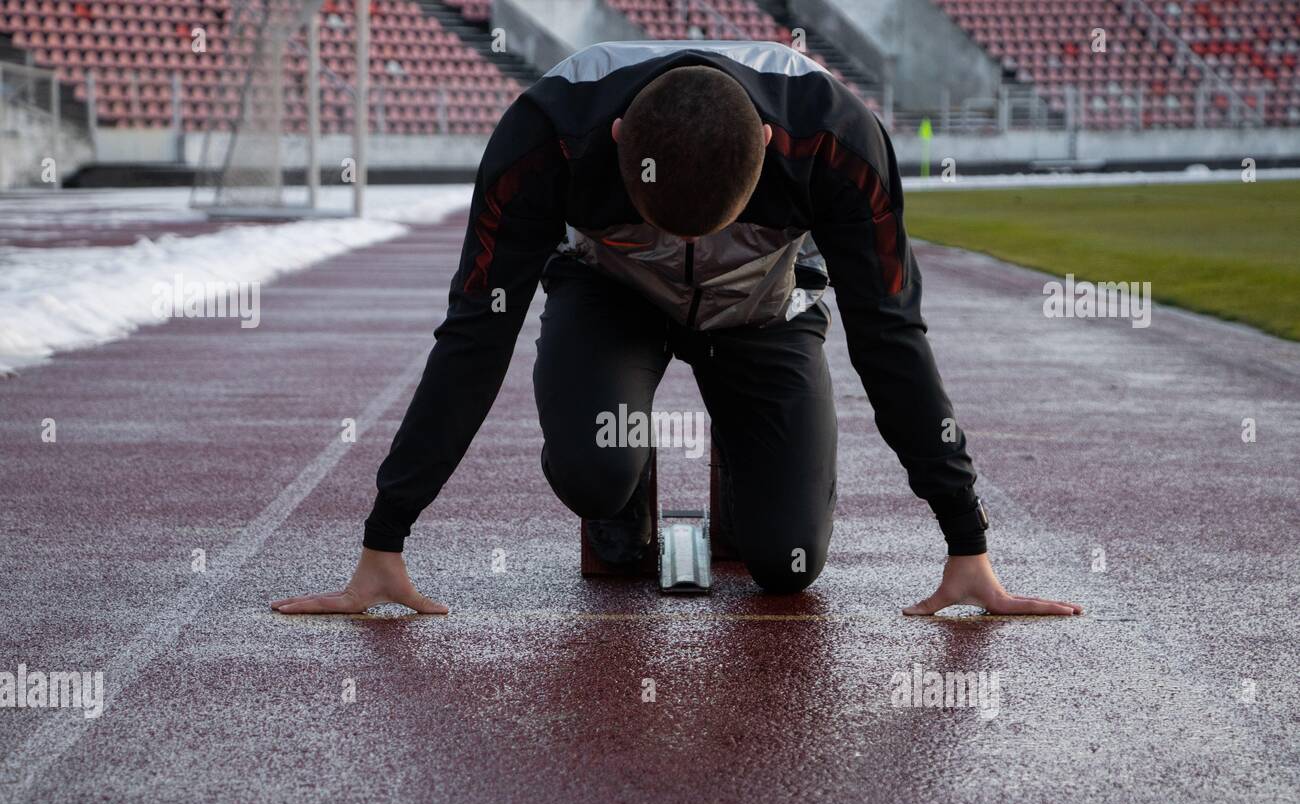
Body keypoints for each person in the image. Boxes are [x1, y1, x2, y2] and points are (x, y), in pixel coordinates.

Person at [273, 40, 1082, 617]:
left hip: (762, 312)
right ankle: (624, 474)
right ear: (619, 140)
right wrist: (387, 539)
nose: (691, 247)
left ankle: (743, 456)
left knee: (786, 567)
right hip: (612, 298)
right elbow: (476, 335)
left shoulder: (837, 143)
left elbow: (890, 337)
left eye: (712, 228)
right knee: (595, 474)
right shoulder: (545, 136)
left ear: (768, 149)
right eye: (666, 222)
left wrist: (965, 542)